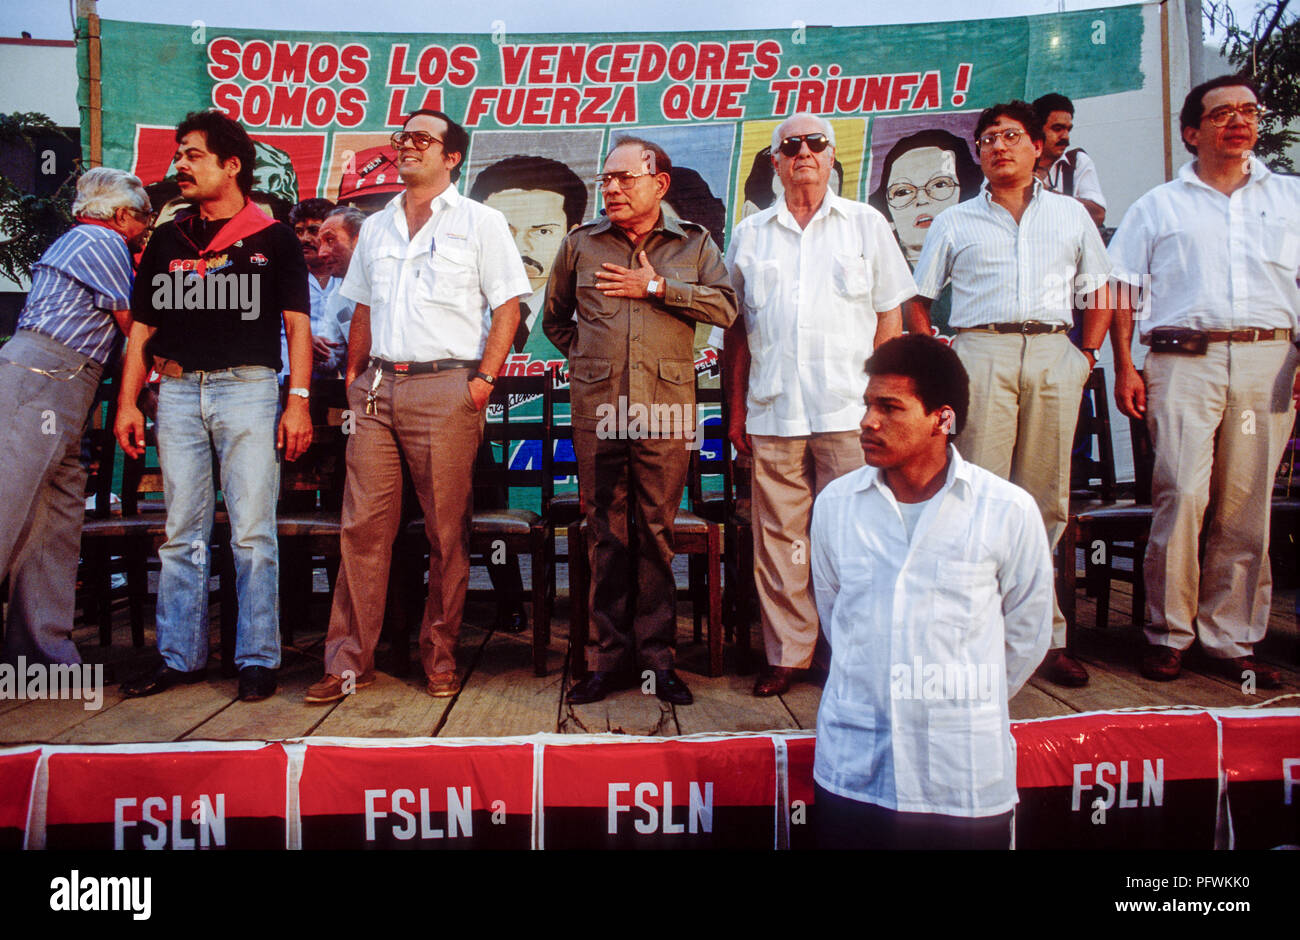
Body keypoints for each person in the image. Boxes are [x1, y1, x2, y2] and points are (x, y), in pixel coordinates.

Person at [305, 110, 529, 704]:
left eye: (422, 139)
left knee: (445, 531)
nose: (406, 147)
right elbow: (362, 309)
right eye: (402, 138)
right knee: (362, 528)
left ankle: (440, 656)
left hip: (447, 387)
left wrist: (481, 380)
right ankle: (349, 660)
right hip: (378, 389)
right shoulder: (376, 227)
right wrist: (354, 377)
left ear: (452, 157)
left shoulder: (482, 222)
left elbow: (508, 308)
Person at [811, 334, 1053, 849]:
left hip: (961, 775)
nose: (868, 422)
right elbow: (837, 618)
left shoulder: (1006, 511)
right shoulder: (836, 505)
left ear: (942, 419)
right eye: (868, 405)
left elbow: (1027, 634)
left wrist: (958, 704)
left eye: (890, 407)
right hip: (854, 768)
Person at [909, 100, 1111, 689]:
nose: (1000, 146)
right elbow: (918, 298)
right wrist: (940, 353)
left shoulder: (1072, 215)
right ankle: (972, 637)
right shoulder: (954, 220)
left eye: (1012, 136)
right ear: (978, 153)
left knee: (1045, 502)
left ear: (1036, 148)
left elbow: (1099, 289)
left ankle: (1046, 639)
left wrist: (1086, 355)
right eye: (989, 139)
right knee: (975, 501)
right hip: (981, 352)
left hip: (1054, 352)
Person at [115, 109, 313, 702]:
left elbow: (298, 327)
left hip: (248, 389)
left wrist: (296, 401)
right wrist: (129, 402)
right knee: (182, 532)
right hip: (174, 392)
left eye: (193, 155)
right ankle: (180, 657)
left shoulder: (273, 236)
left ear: (232, 165)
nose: (180, 164)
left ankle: (256, 659)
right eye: (178, 154)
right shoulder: (167, 239)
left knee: (252, 532)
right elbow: (141, 331)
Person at [1108, 75, 1299, 688]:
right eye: (1220, 114)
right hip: (1182, 363)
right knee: (1182, 496)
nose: (1237, 122)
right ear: (1193, 131)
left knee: (1245, 505)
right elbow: (1120, 292)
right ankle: (1169, 633)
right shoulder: (1159, 205)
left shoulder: (1290, 198)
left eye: (1248, 111)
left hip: (1265, 364)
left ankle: (1231, 638)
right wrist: (1124, 364)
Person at [723, 112, 915, 698]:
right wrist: (735, 411)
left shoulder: (866, 224)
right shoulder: (750, 234)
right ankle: (790, 654)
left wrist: (884, 406)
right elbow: (736, 330)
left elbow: (890, 317)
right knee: (781, 540)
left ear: (834, 158)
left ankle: (853, 653)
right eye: (790, 145)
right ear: (776, 162)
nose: (803, 152)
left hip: (848, 415)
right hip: (773, 411)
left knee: (858, 537)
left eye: (815, 143)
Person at [544, 136, 738, 706]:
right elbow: (556, 320)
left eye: (625, 178)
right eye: (607, 178)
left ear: (660, 183)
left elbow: (725, 308)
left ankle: (657, 661)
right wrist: (590, 361)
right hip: (600, 408)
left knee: (655, 532)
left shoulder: (693, 244)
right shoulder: (580, 245)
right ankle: (608, 661)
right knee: (605, 531)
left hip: (664, 408)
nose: (613, 188)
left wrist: (655, 287)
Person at [0, 168, 151, 667]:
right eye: (146, 216)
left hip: (63, 387)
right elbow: (136, 325)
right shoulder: (100, 240)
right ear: (124, 214)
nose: (147, 227)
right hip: (41, 379)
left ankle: (42, 653)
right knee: (5, 511)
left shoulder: (83, 239)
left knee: (53, 522)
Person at [468, 154, 588, 354]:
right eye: (504, 229)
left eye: (542, 232)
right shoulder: (454, 312)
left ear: (573, 237)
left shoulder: (590, 313)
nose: (521, 248)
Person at [866, 128, 983, 265]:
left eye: (939, 184)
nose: (922, 200)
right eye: (903, 192)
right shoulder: (874, 266)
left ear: (964, 195)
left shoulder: (984, 263)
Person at [281, 198, 346, 381]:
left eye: (313, 231)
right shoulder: (283, 278)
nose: (304, 239)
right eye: (299, 231)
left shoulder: (346, 280)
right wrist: (303, 339)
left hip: (335, 384)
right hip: (287, 379)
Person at [1032, 93, 1107, 228]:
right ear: (1036, 129)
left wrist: (1046, 191)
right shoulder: (1015, 163)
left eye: (1068, 129)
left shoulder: (1077, 162)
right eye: (1057, 129)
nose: (1065, 136)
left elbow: (1098, 216)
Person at [312, 206, 363, 376]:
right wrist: (313, 349)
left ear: (358, 240)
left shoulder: (393, 283)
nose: (321, 253)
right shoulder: (337, 298)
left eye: (330, 240)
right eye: (321, 244)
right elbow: (331, 356)